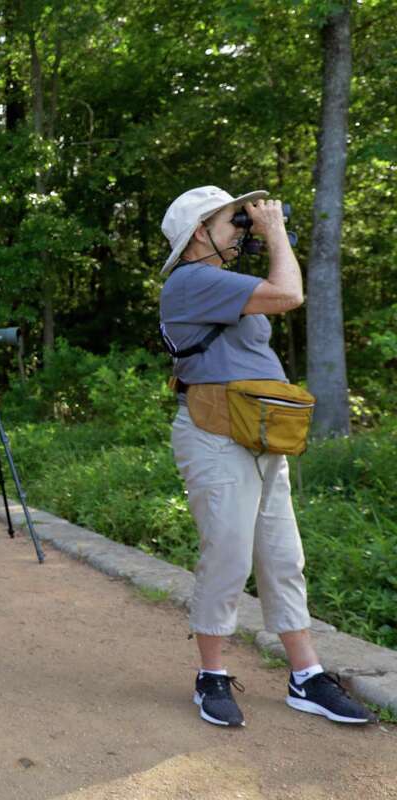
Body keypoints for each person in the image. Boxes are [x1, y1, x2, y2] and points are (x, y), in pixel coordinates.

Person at [159, 186, 373, 728]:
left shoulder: (223, 281)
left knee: (281, 555)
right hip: (215, 432)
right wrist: (275, 231)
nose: (242, 226)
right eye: (232, 220)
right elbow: (288, 293)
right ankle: (211, 675)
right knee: (228, 553)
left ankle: (306, 676)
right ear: (199, 233)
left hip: (259, 431)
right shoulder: (190, 280)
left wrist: (267, 234)